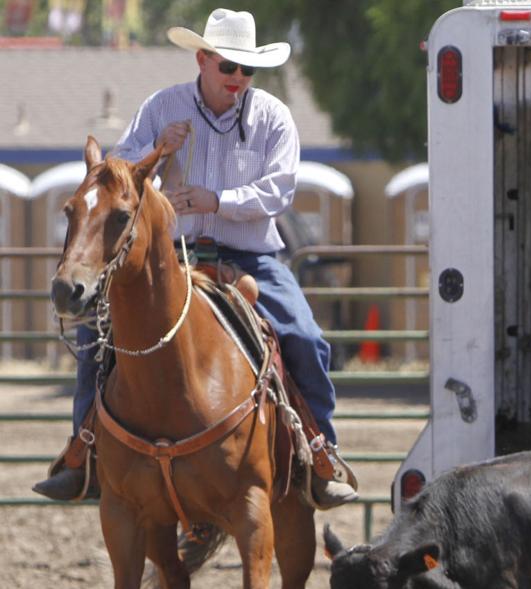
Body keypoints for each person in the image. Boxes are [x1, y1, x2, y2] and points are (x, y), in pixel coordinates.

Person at [33, 8, 357, 510]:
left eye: (247, 70)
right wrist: (159, 154)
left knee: (306, 337)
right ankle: (84, 452)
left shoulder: (272, 117)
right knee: (94, 332)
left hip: (252, 257)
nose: (238, 79)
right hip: (170, 260)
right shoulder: (161, 109)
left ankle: (321, 452)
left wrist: (216, 201)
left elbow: (280, 190)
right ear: (203, 60)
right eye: (228, 66)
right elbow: (120, 180)